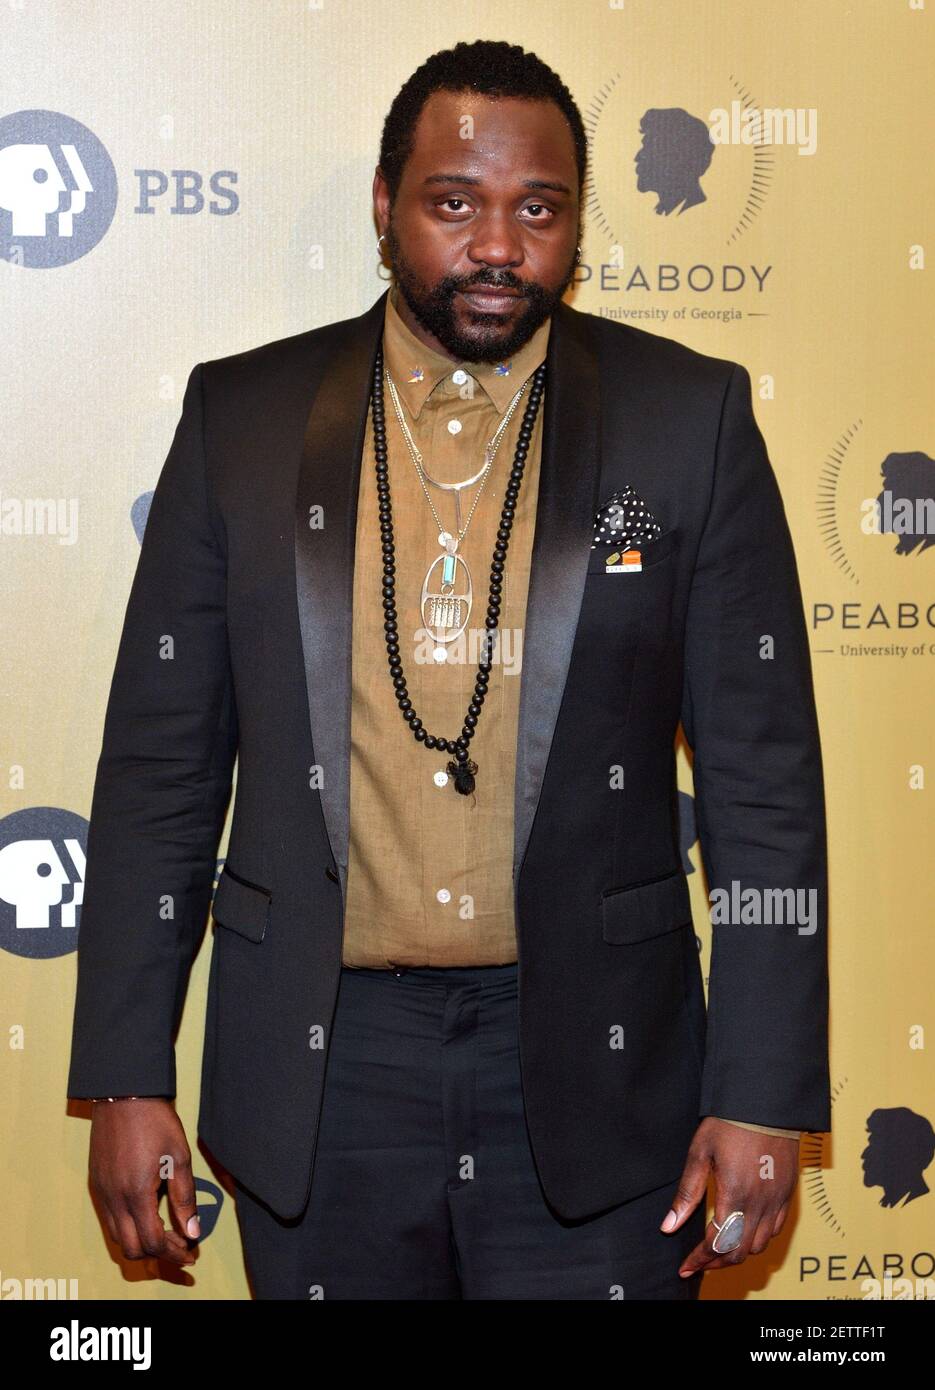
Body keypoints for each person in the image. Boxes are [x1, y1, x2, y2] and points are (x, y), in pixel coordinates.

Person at [67, 39, 830, 1300]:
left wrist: (758, 1093)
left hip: (598, 1060)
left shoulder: (683, 419)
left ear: (574, 226)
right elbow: (160, 770)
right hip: (322, 1069)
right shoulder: (241, 420)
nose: (496, 244)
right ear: (384, 207)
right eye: (452, 202)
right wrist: (125, 1073)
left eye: (537, 209)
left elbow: (761, 786)